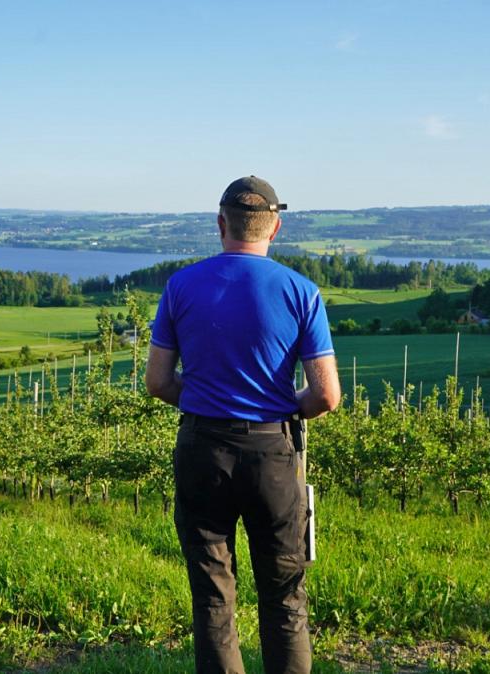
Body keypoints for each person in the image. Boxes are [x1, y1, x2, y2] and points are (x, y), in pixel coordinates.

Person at [145, 175, 341, 674]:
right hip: (272, 454)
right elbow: (326, 395)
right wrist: (284, 404)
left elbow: (158, 382)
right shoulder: (301, 291)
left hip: (201, 449)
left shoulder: (181, 285)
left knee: (213, 596)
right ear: (274, 228)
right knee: (284, 597)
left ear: (220, 225)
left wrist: (213, 398)